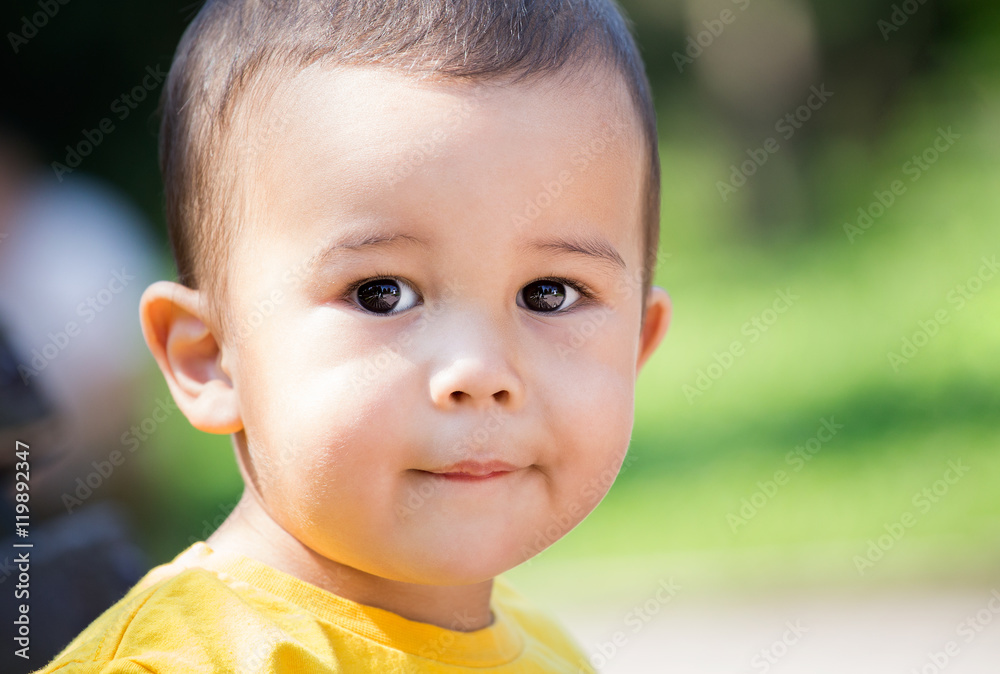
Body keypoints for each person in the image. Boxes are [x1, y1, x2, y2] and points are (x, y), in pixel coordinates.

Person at [32, 0, 672, 670]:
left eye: (549, 294)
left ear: (636, 345)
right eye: (382, 294)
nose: (479, 370)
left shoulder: (549, 652)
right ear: (211, 358)